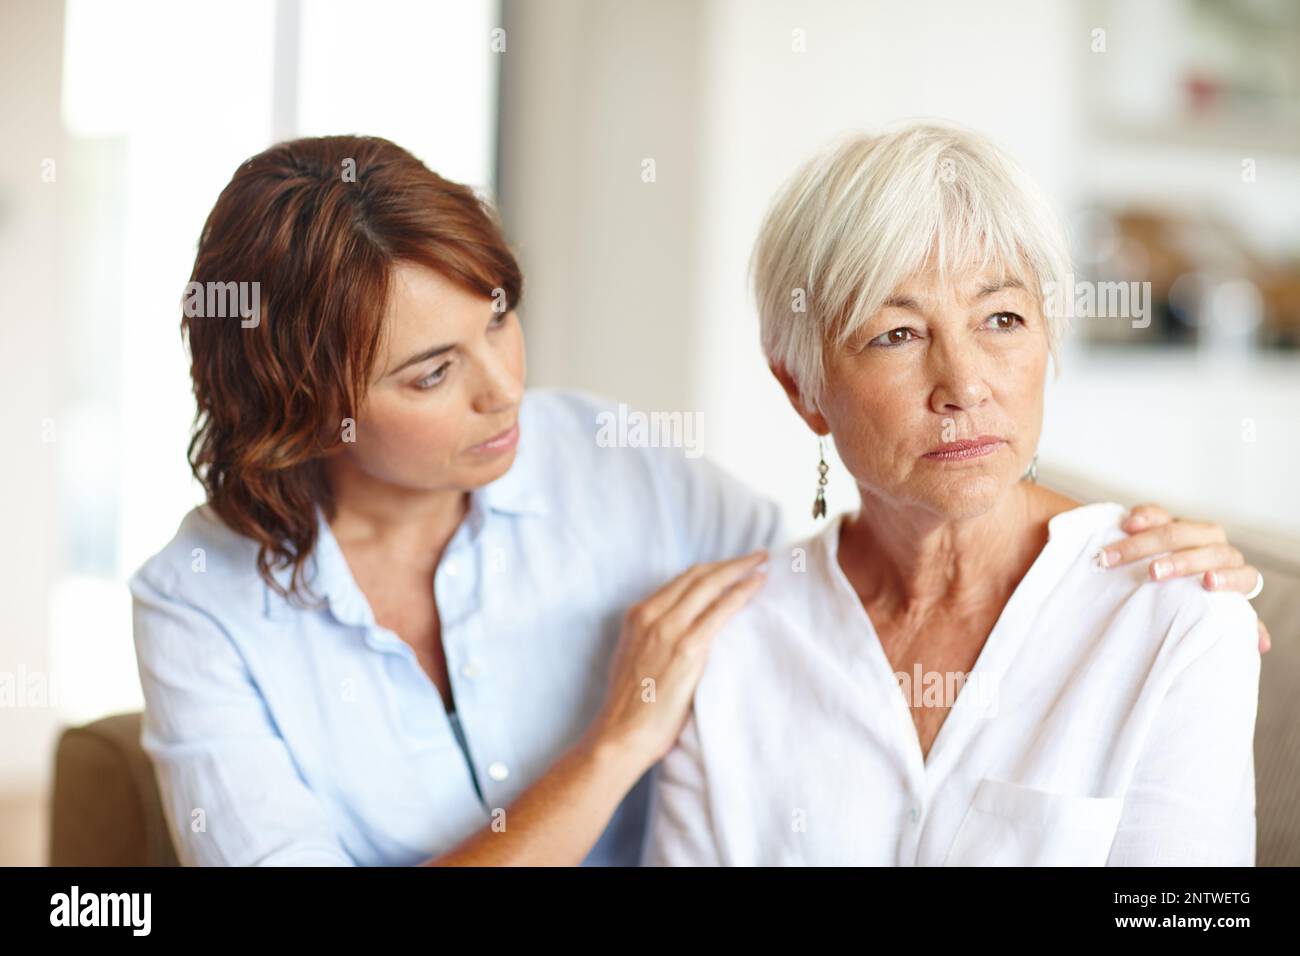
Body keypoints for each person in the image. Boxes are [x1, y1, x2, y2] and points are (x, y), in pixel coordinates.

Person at [132, 134, 1266, 866]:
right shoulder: (198, 603)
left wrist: (1120, 547)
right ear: (301, 405)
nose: (502, 385)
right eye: (430, 373)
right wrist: (619, 739)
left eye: (498, 316)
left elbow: (894, 531)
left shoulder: (625, 475)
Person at [645, 122, 1262, 866]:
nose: (965, 384)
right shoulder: (730, 645)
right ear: (801, 386)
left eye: (1002, 319)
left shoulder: (1174, 613)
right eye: (898, 334)